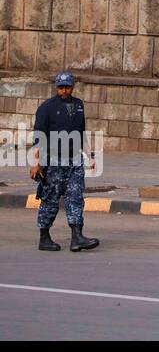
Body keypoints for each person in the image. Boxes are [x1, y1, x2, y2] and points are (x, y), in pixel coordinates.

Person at [31, 72, 99, 252]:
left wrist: (90, 156)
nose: (64, 91)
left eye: (67, 87)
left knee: (76, 197)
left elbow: (81, 133)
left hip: (74, 161)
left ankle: (77, 237)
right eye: (61, 87)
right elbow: (38, 136)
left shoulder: (78, 105)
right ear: (56, 87)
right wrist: (35, 163)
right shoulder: (47, 107)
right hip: (53, 161)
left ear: (73, 86)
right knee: (51, 199)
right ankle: (44, 237)